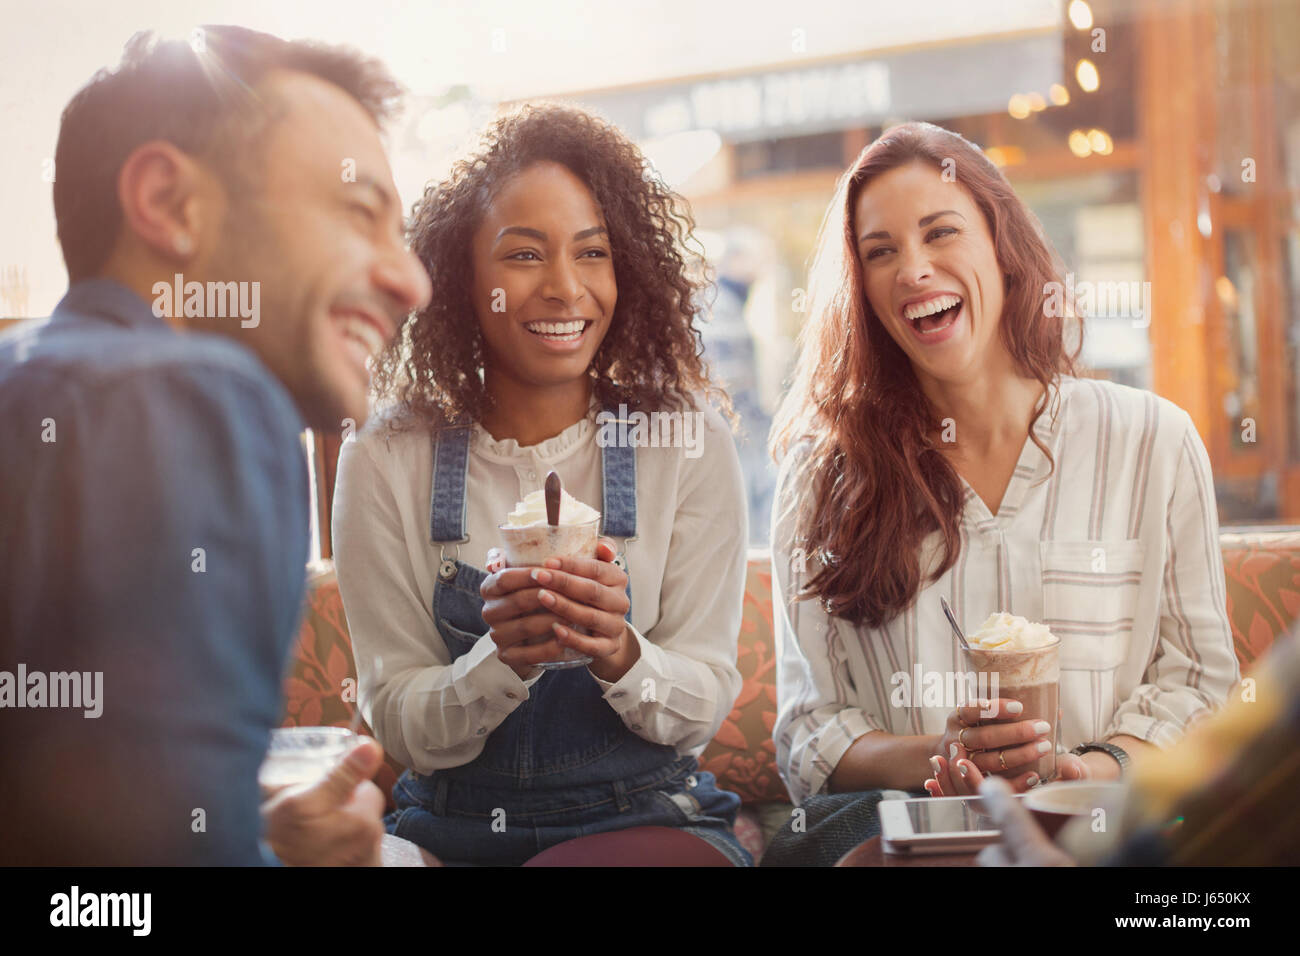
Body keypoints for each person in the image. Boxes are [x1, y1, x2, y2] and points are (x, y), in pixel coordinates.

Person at [0, 26, 430, 864]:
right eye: (358, 213)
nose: (409, 280)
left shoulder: (34, 383)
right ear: (168, 202)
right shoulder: (195, 398)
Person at [762, 121, 1239, 866]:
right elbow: (809, 728)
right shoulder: (822, 473)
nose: (912, 270)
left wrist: (1094, 769)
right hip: (910, 831)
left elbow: (1204, 685)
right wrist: (939, 753)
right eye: (879, 251)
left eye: (940, 232)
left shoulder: (1152, 441)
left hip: (1101, 821)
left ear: (1001, 247)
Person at [331, 103, 752, 866]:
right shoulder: (387, 454)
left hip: (645, 818)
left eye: (592, 254)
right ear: (459, 276)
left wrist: (621, 653)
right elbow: (394, 718)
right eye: (525, 256)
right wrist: (502, 662)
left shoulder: (685, 439)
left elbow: (705, 702)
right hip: (450, 824)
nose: (566, 288)